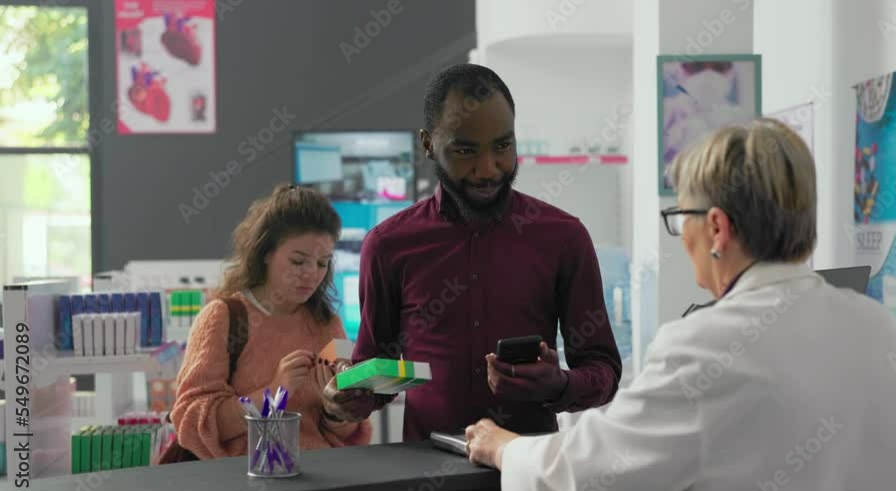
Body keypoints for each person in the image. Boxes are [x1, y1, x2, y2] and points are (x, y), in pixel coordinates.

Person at [465, 119, 896, 491]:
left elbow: (597, 471)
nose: (682, 237)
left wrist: (503, 448)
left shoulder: (708, 345)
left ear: (716, 228)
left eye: (680, 219)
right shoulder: (878, 327)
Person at [349, 63, 623, 440]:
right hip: (420, 484)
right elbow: (374, 370)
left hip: (530, 477)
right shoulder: (388, 246)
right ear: (428, 144)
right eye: (465, 150)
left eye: (502, 146)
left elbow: (603, 369)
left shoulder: (564, 238)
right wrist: (344, 398)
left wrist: (558, 385)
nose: (488, 169)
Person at [171, 185, 382, 459]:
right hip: (246, 483)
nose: (310, 274)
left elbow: (343, 434)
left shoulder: (329, 325)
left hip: (322, 481)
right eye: (298, 261)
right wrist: (274, 393)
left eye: (322, 263)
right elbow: (192, 421)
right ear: (266, 253)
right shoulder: (223, 318)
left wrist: (338, 410)